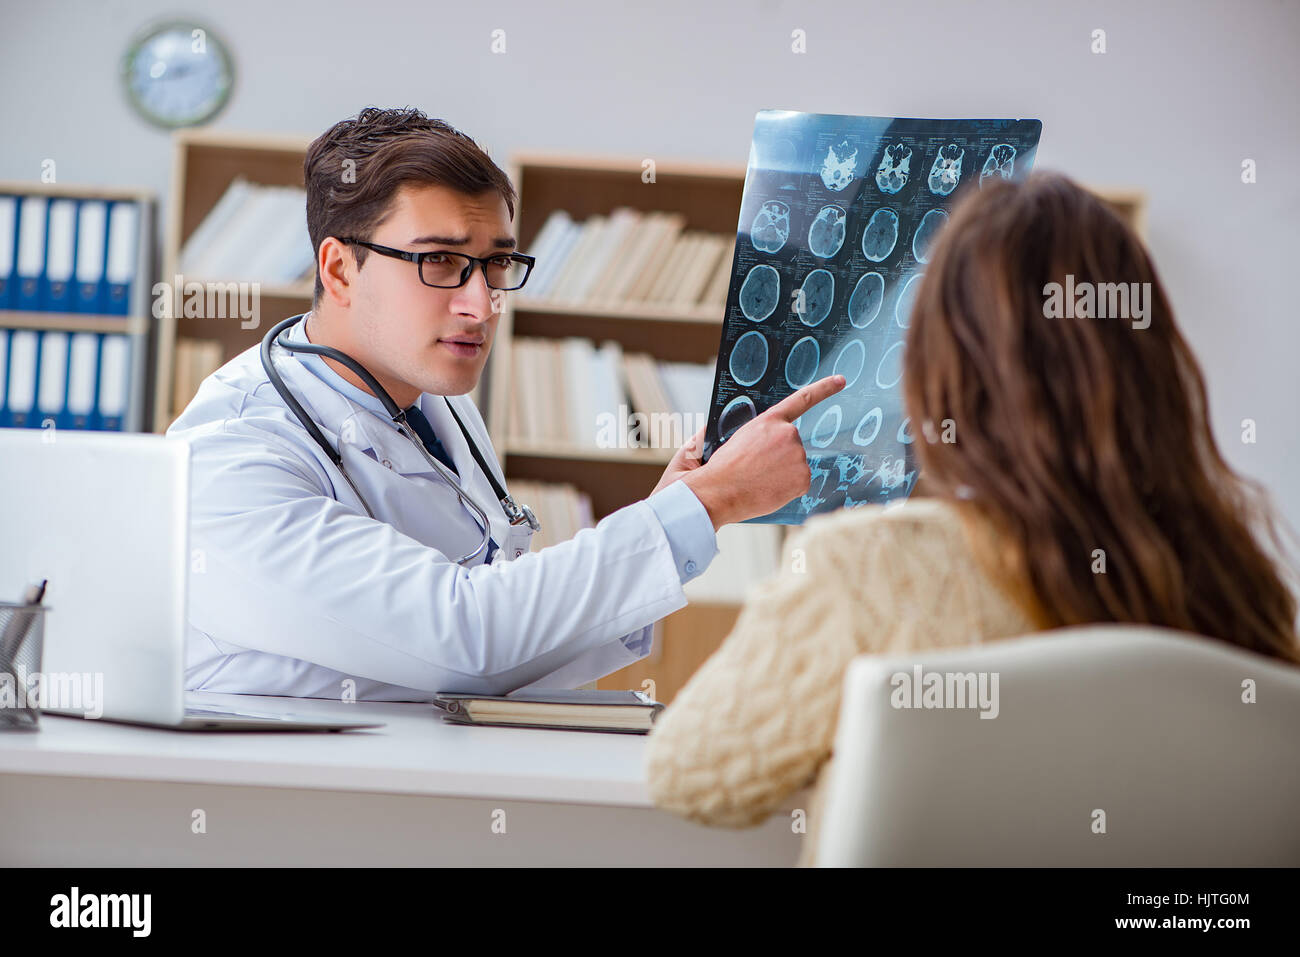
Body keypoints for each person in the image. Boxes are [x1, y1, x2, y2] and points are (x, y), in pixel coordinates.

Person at [644, 171, 1300, 866]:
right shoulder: (1239, 585)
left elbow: (688, 774)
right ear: (1153, 368)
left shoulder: (871, 571)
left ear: (942, 371)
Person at [167, 106, 845, 699]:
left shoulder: (434, 400)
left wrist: (676, 506)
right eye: (440, 261)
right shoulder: (233, 449)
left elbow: (509, 638)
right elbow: (463, 633)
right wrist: (706, 504)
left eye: (497, 264)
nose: (481, 302)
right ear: (340, 268)